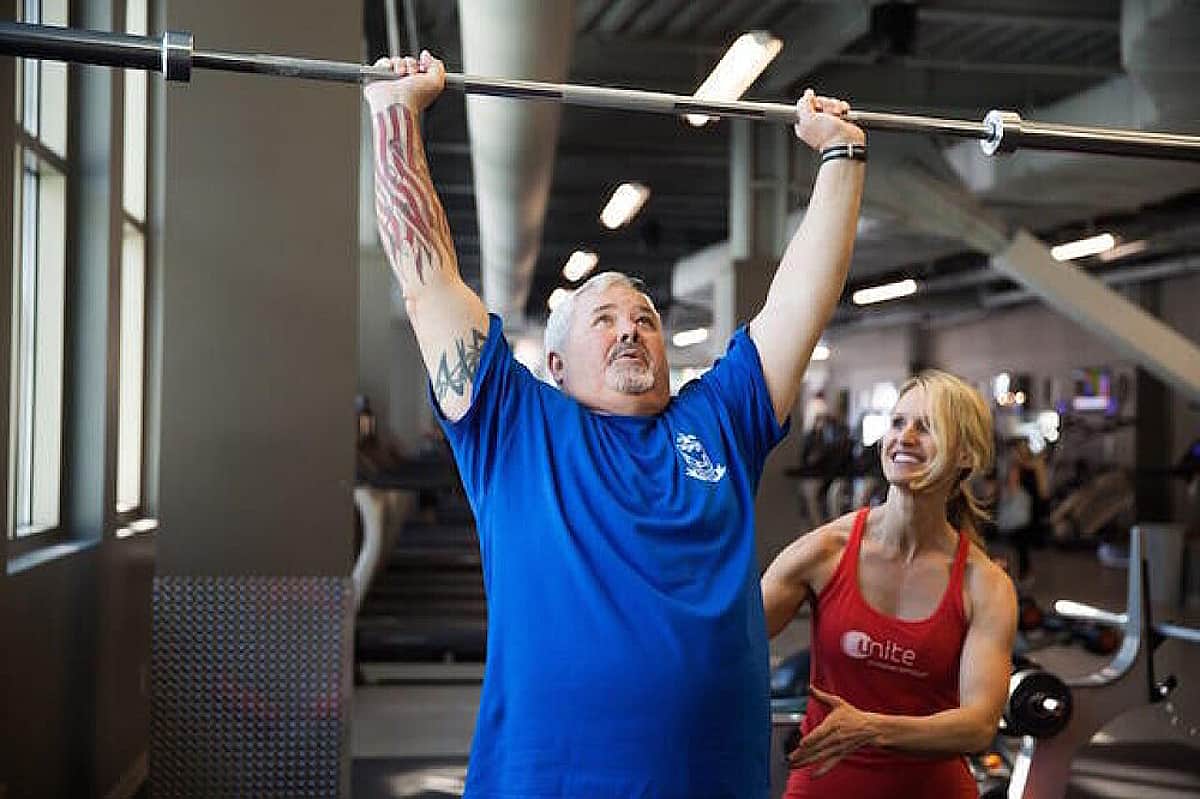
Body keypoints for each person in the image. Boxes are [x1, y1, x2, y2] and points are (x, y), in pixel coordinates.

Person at [365, 50, 866, 798]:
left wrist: (841, 155)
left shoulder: (720, 420)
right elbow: (428, 280)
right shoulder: (514, 425)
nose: (631, 330)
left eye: (646, 319)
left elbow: (800, 301)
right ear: (557, 365)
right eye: (604, 320)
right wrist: (396, 114)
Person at [761, 370, 1018, 799]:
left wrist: (871, 728)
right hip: (824, 785)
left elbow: (978, 725)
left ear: (966, 457)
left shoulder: (985, 585)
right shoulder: (826, 550)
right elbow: (732, 638)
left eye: (927, 427)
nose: (905, 437)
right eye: (898, 423)